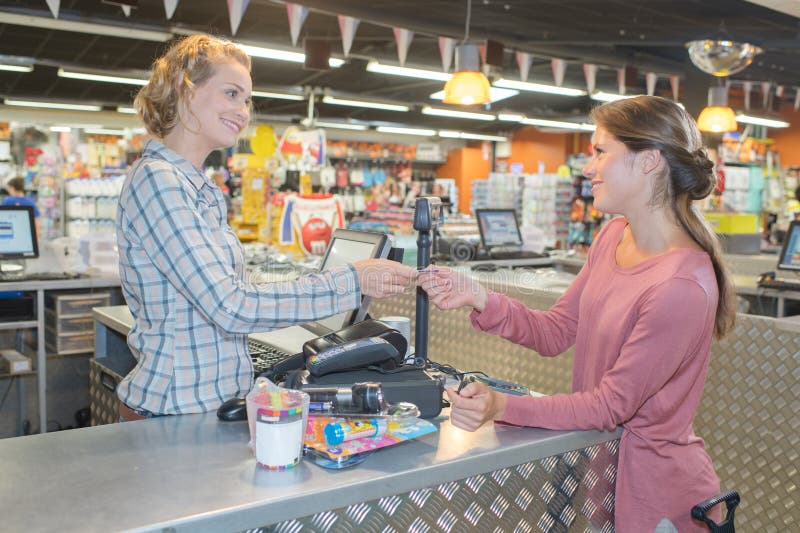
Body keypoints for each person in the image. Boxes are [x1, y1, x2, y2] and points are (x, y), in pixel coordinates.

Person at [419, 96, 736, 532]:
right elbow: (557, 330)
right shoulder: (612, 237)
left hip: (657, 497)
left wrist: (500, 405)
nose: (588, 168)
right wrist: (481, 299)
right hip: (602, 471)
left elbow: (609, 405)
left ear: (649, 162)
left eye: (601, 152)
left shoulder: (680, 286)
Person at [117, 34, 416, 420]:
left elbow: (223, 293)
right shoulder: (160, 182)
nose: (243, 111)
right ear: (184, 88)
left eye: (246, 100)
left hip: (203, 408)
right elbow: (230, 307)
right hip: (174, 415)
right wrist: (352, 281)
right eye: (231, 93)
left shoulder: (196, 188)